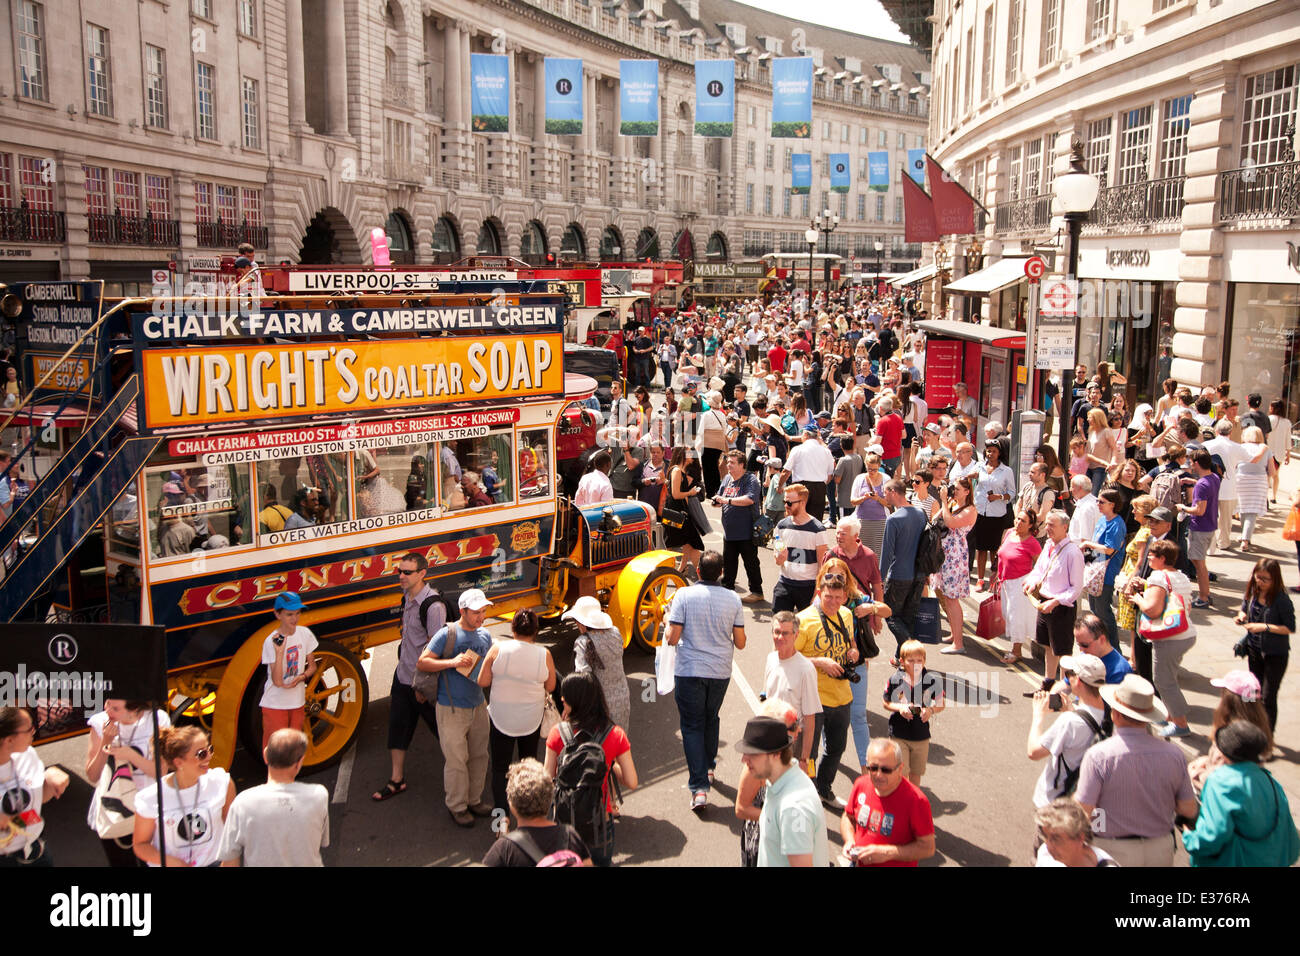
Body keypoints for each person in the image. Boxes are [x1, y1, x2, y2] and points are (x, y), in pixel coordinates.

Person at [1074, 674, 1198, 867]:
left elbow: (1084, 811)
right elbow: (1187, 808)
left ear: (1115, 713)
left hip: (1112, 850)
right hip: (1160, 849)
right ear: (1148, 717)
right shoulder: (1174, 754)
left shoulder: (1099, 755)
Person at [666, 550, 746, 811]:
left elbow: (672, 638)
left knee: (691, 726)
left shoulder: (684, 596)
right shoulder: (733, 599)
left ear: (697, 571)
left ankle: (699, 786)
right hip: (720, 671)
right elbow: (741, 643)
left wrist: (668, 619)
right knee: (711, 718)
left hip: (689, 670)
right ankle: (709, 767)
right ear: (722, 572)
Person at [417, 588, 495, 827]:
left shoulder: (485, 636)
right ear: (462, 611)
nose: (481, 616)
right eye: (476, 612)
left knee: (480, 755)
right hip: (451, 708)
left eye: (483, 611)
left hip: (478, 705)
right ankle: (458, 806)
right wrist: (452, 662)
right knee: (456, 759)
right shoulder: (447, 633)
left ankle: (474, 799)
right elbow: (423, 662)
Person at [544, 672, 637, 866]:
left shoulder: (557, 733)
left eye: (564, 699)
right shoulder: (615, 734)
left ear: (572, 703)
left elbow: (547, 778)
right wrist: (609, 764)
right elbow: (632, 781)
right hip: (600, 822)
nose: (562, 701)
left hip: (564, 821)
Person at [373, 553, 445, 802]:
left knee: (443, 731)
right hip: (402, 675)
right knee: (398, 727)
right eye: (399, 572)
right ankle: (396, 780)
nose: (401, 576)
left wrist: (422, 683)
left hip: (420, 682)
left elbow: (436, 647)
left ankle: (464, 776)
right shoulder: (407, 597)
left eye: (407, 572)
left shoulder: (433, 606)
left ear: (422, 573)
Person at [1182, 721, 1300, 867]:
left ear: (1224, 752)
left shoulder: (1220, 782)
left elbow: (1212, 836)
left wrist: (1190, 839)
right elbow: (1290, 839)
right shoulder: (1270, 781)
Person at [795, 563, 864, 806]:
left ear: (845, 596)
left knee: (836, 749)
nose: (833, 602)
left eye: (838, 597)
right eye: (828, 597)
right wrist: (819, 662)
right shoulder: (803, 620)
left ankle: (823, 788)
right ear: (818, 592)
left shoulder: (846, 614)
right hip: (814, 700)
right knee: (808, 754)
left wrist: (853, 652)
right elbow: (785, 658)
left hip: (842, 696)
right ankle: (807, 796)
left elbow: (852, 642)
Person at [478, 608, 556, 819]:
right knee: (527, 766)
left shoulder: (497, 650)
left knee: (500, 768)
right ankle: (528, 815)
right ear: (536, 631)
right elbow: (550, 685)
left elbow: (483, 681)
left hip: (501, 717)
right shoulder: (544, 655)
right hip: (531, 720)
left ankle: (501, 820)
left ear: (512, 629)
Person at [216, 729, 329, 866]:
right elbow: (322, 841)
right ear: (299, 763)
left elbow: (230, 859)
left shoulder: (243, 802)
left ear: (265, 755)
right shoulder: (318, 796)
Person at [1027, 653, 1109, 837]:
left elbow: (1034, 752)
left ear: (1078, 681)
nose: (1067, 676)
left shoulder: (1071, 722)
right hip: (1087, 802)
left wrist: (1038, 716)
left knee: (1048, 854)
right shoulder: (1108, 713)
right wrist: (1072, 710)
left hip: (1055, 802)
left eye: (1069, 673)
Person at [133, 726, 236, 867]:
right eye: (201, 754)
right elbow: (140, 844)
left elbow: (231, 830)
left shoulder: (221, 782)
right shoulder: (151, 798)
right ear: (179, 762)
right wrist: (172, 862)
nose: (209, 756)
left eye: (209, 749)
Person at [84, 698, 170, 867]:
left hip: (149, 809)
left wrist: (130, 755)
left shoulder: (157, 720)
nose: (108, 710)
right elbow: (93, 775)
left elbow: (160, 771)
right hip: (115, 810)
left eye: (115, 708)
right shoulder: (99, 722)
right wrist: (105, 742)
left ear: (134, 708)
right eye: (107, 704)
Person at [735, 715, 829, 867]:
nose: (744, 759)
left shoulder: (793, 809)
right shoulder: (782, 777)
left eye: (753, 753)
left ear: (776, 754)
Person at [840, 738, 936, 867]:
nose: (878, 775)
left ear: (900, 768)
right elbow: (848, 817)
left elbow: (927, 847)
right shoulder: (861, 784)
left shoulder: (916, 801)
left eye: (886, 770)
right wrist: (850, 840)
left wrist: (887, 853)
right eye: (873, 768)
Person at [482, 758, 591, 867]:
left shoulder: (504, 848)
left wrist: (504, 836)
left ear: (512, 805)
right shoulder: (570, 836)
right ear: (549, 799)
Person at [0, 707, 69, 866]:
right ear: (9, 739)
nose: (34, 732)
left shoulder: (27, 755)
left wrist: (51, 779)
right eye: (29, 728)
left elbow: (38, 801)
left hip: (35, 852)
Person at [1024, 510, 1085, 682]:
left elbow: (1076, 588)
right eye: (1047, 524)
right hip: (1044, 602)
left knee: (1062, 651)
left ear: (1065, 527)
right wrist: (1032, 581)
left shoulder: (1073, 552)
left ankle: (1063, 690)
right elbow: (1040, 570)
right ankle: (1048, 684)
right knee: (1048, 647)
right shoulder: (1049, 545)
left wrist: (1056, 601)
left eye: (1052, 525)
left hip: (1061, 608)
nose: (1047, 528)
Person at [1234, 557, 1292, 734]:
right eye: (1257, 577)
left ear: (1275, 579)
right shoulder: (1252, 590)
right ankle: (1251, 729)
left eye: (1264, 579)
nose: (1260, 582)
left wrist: (1264, 627)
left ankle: (1267, 738)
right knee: (1251, 693)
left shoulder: (1282, 600)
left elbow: (1290, 628)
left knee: (1268, 697)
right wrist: (1241, 615)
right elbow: (1243, 607)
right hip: (1254, 650)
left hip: (1275, 654)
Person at [1189, 670, 1273, 791]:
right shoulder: (1256, 731)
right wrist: (1206, 760)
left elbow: (1215, 780)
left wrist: (1195, 773)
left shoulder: (1229, 739)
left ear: (1228, 701)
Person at [258, 591, 317, 750]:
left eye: (297, 613)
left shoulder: (305, 634)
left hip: (297, 702)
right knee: (277, 751)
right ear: (277, 614)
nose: (295, 618)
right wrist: (279, 652)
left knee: (293, 749)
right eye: (289, 614)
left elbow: (312, 666)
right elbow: (277, 682)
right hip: (275, 704)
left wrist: (302, 676)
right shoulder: (271, 641)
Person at [882, 640, 945, 787]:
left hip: (921, 735)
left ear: (924, 661)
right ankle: (899, 799)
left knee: (916, 773)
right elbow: (886, 703)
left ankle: (913, 799)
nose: (916, 664)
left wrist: (930, 710)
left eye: (919, 660)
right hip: (899, 733)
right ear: (902, 662)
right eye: (911, 660)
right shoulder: (895, 680)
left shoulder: (931, 681)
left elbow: (941, 703)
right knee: (901, 771)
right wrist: (900, 708)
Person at [566, 595, 631, 732]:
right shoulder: (616, 633)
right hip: (622, 696)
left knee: (599, 747)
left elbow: (582, 679)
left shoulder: (583, 642)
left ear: (582, 623)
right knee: (618, 743)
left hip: (599, 706)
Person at [880, 478, 926, 658]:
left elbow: (887, 554)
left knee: (890, 616)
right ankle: (902, 657)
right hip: (918, 575)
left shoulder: (893, 519)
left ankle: (912, 651)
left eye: (885, 492)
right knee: (908, 617)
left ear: (893, 492)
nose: (884, 496)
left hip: (899, 575)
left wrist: (879, 580)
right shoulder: (921, 513)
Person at [714, 450, 765, 604]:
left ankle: (757, 591)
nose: (728, 465)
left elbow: (750, 499)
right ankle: (727, 590)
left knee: (750, 563)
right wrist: (717, 501)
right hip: (729, 532)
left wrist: (727, 500)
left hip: (747, 532)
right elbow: (720, 496)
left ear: (742, 465)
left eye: (732, 463)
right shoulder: (727, 479)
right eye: (728, 462)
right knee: (729, 563)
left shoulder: (750, 480)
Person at [933, 477, 977, 654]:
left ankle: (958, 643)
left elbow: (951, 523)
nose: (954, 491)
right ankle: (954, 634)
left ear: (967, 491)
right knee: (946, 596)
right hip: (944, 554)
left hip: (955, 556)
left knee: (952, 599)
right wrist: (946, 501)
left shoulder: (971, 510)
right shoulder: (951, 504)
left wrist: (944, 501)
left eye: (957, 489)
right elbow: (936, 519)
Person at [772, 482, 829, 613]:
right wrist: (779, 558)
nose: (786, 505)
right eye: (784, 501)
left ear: (802, 502)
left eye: (789, 503)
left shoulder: (817, 529)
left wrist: (817, 592)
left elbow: (822, 566)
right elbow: (777, 558)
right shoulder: (781, 526)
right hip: (784, 584)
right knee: (779, 623)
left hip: (807, 587)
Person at [997, 509, 1043, 664]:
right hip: (1005, 581)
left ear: (1031, 525)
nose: (1018, 523)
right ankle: (1015, 647)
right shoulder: (1009, 533)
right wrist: (996, 574)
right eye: (1017, 519)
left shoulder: (1033, 543)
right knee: (1007, 614)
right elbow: (1002, 554)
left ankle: (1016, 651)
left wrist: (1034, 582)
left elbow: (1041, 566)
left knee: (1016, 616)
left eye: (1023, 521)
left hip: (1020, 583)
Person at [1081, 489, 1127, 646]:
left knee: (1103, 612)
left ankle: (1113, 648)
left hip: (1106, 574)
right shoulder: (1102, 520)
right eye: (1097, 501)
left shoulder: (1117, 524)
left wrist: (1087, 544)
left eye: (1102, 502)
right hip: (1095, 570)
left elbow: (1109, 549)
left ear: (1112, 504)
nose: (1098, 504)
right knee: (1094, 609)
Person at [972, 441, 1017, 590]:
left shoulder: (1006, 471)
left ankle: (994, 578)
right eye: (988, 451)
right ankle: (980, 579)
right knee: (981, 547)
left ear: (999, 453)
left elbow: (1012, 493)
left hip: (997, 514)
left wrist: (999, 497)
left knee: (995, 548)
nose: (990, 454)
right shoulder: (980, 467)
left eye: (993, 451)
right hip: (980, 511)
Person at [1178, 450, 1220, 608]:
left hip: (1200, 528)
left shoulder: (1202, 484)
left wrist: (1182, 507)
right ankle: (1205, 594)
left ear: (1196, 463)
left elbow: (1199, 510)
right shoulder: (1213, 478)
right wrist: (1193, 481)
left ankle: (1203, 597)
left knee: (1199, 564)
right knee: (1199, 561)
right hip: (1209, 526)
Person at [1034, 798, 1119, 867]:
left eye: (1056, 839)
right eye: (1046, 837)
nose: (1049, 846)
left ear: (1080, 838)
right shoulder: (1045, 854)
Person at [665, 445, 705, 578]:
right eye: (689, 452)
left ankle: (683, 571)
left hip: (676, 512)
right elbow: (676, 494)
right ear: (682, 454)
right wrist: (691, 492)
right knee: (673, 543)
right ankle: (702, 577)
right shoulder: (676, 470)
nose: (692, 454)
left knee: (688, 543)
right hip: (675, 512)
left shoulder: (679, 470)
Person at [1235, 425, 1270, 551]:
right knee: (1252, 511)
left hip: (1241, 479)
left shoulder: (1241, 447)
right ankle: (1245, 539)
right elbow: (1272, 470)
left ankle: (1245, 535)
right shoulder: (1265, 449)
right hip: (1259, 481)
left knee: (1244, 508)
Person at [1073, 613, 1133, 684]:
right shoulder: (1087, 655)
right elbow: (1066, 683)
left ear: (1102, 639)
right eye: (1078, 644)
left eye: (1084, 645)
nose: (1081, 649)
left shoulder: (1120, 671)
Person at [849, 451, 889, 557]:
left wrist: (877, 498)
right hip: (862, 520)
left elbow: (889, 503)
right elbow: (853, 501)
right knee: (861, 552)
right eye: (869, 469)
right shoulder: (860, 479)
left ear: (879, 466)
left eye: (874, 469)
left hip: (881, 521)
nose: (871, 472)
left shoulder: (886, 479)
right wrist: (864, 498)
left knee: (879, 554)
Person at [1016, 462, 1056, 541]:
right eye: (1029, 471)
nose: (1029, 474)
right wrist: (1018, 519)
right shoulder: (1027, 486)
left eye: (1033, 472)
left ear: (1042, 475)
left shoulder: (1048, 493)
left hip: (1037, 535)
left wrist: (1024, 519)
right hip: (1022, 532)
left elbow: (1042, 516)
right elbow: (1018, 505)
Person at [1067, 474, 1100, 547]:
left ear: (1080, 488)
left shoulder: (1086, 508)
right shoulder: (1093, 502)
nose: (1070, 489)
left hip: (1079, 549)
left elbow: (1085, 537)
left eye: (1072, 486)